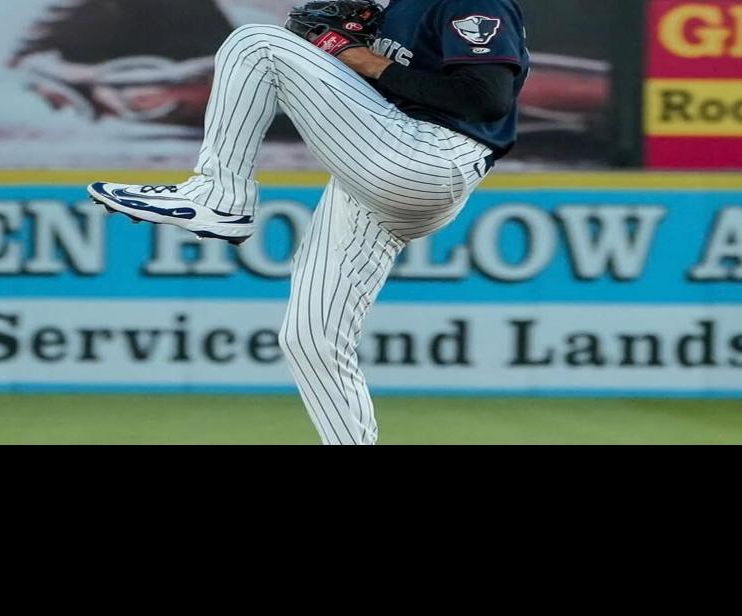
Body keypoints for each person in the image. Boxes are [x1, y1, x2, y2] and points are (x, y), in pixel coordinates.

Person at [88, 0, 528, 445]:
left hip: (432, 157)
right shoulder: (396, 9)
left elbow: (486, 98)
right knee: (311, 337)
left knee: (255, 43)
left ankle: (219, 194)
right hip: (386, 167)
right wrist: (341, 58)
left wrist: (366, 61)